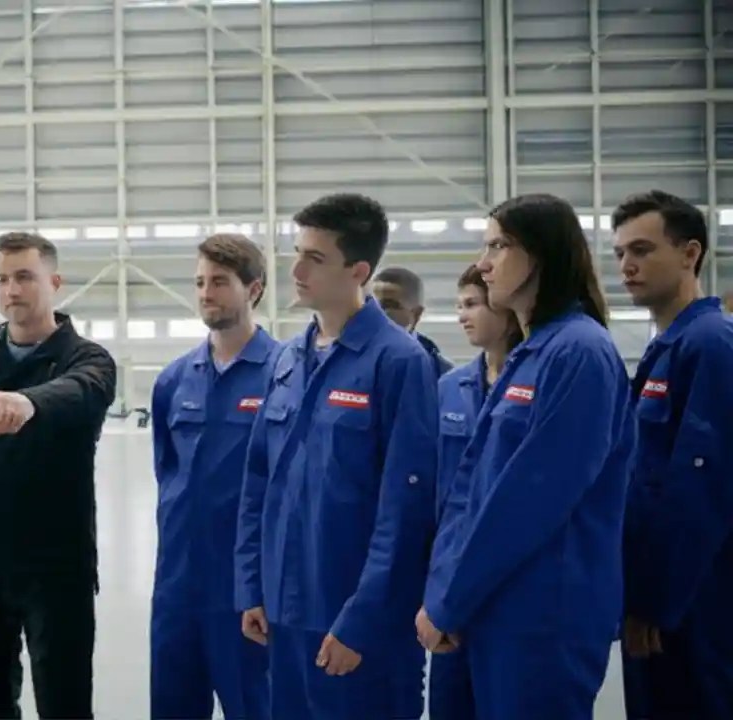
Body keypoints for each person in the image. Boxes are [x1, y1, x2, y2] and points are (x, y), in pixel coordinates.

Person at [417, 193, 634, 720]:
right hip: (484, 609)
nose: (485, 263)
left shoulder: (579, 353)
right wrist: (445, 593)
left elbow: (531, 496)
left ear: (540, 254)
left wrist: (450, 599)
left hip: (539, 615)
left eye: (499, 245)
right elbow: (471, 491)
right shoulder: (528, 356)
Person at [234, 193, 438, 719]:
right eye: (296, 253)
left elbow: (404, 511)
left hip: (355, 625)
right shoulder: (287, 359)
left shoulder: (398, 362)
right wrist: (252, 586)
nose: (296, 270)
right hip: (285, 614)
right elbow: (258, 481)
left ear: (359, 270)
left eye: (315, 259)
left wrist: (362, 621)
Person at [0, 231, 118, 720]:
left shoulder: (87, 359)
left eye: (25, 277)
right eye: (3, 279)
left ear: (54, 282)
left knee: (64, 699)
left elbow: (80, 389)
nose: (12, 290)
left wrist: (30, 401)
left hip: (56, 567)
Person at [612, 190, 733, 719]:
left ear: (690, 253)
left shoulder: (711, 343)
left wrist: (656, 603)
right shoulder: (666, 349)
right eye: (619, 253)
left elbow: (702, 486)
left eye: (642, 249)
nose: (627, 265)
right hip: (666, 596)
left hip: (698, 601)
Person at [150, 233, 277, 720]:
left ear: (254, 289)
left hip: (248, 590)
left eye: (220, 282)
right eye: (200, 282)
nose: (206, 293)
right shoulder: (174, 379)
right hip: (178, 587)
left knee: (255, 707)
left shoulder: (284, 373)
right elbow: (168, 473)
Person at [426, 264, 523, 719]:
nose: (463, 316)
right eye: (458, 305)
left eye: (473, 304)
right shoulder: (448, 389)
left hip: (511, 582)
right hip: (453, 581)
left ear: (504, 309)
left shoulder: (535, 383)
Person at [372, 266, 455, 376]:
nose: (375, 313)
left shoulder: (441, 375)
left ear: (416, 314)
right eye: (370, 305)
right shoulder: (347, 363)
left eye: (388, 306)